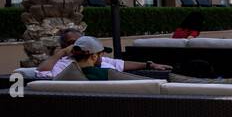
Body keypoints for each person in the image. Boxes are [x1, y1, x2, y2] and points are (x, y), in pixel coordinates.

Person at [34, 29, 169, 77]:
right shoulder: (63, 66)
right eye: (72, 43)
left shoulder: (102, 61)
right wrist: (62, 52)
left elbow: (121, 64)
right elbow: (41, 71)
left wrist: (149, 65)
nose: (77, 45)